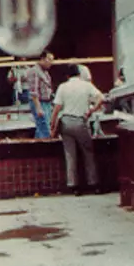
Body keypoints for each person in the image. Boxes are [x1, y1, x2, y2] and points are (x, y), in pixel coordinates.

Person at [49, 65, 104, 195]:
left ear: (67, 76)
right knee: (88, 153)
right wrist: (91, 110)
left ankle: (73, 186)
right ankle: (93, 184)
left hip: (65, 122)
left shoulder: (62, 87)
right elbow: (101, 97)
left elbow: (57, 108)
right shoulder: (86, 85)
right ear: (79, 74)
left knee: (70, 155)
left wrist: (52, 125)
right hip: (80, 122)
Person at [26, 51, 54, 139]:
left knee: (43, 127)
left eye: (52, 60)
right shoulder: (34, 71)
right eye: (49, 59)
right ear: (42, 59)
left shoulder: (45, 72)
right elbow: (33, 91)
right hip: (39, 102)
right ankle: (45, 148)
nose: (50, 62)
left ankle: (36, 148)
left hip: (46, 102)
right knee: (44, 127)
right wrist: (38, 108)